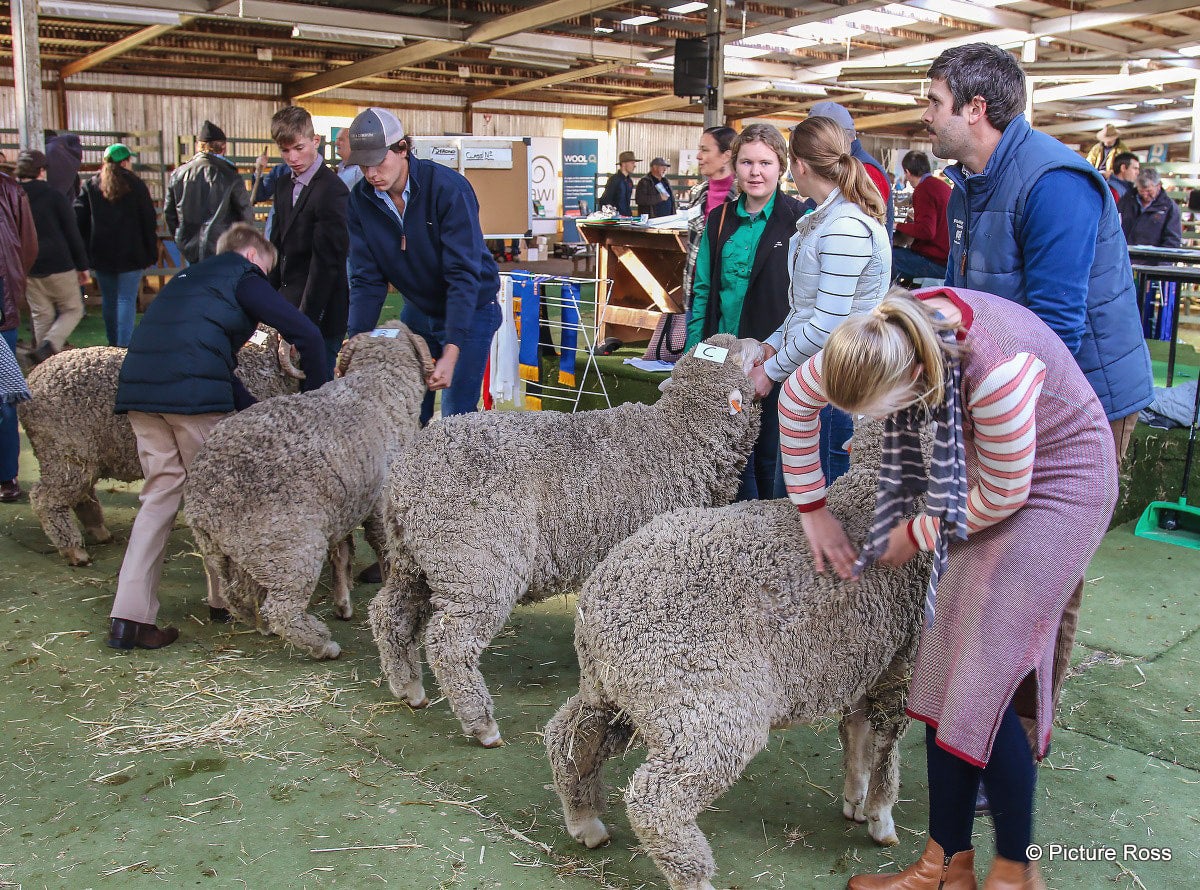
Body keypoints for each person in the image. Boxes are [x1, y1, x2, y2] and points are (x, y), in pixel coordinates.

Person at [780, 287, 1116, 890]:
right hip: (986, 474)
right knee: (939, 674)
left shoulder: (995, 371)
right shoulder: (865, 346)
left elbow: (1007, 494)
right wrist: (814, 509)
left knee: (981, 681)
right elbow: (796, 403)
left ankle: (1014, 871)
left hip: (1058, 485)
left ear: (913, 375)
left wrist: (919, 528)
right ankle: (946, 867)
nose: (876, 427)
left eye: (884, 412)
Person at [922, 41, 1152, 758]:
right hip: (1007, 389)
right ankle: (977, 708)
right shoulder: (969, 183)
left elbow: (1054, 324)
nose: (924, 116)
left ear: (975, 109)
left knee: (1042, 570)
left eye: (933, 102)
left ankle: (1017, 740)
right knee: (988, 551)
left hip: (1079, 405)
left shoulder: (1053, 182)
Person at [107, 223, 329, 651]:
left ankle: (128, 617)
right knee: (222, 503)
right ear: (251, 257)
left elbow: (212, 361)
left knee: (159, 499)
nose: (264, 283)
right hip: (192, 401)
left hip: (140, 391)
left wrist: (256, 410)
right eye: (265, 272)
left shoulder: (188, 279)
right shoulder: (243, 276)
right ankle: (225, 599)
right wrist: (316, 408)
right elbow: (307, 333)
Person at [751, 115, 890, 486]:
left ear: (797, 164)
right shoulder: (824, 219)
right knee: (791, 507)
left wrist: (770, 371)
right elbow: (806, 310)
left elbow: (830, 326)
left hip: (834, 388)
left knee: (814, 511)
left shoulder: (845, 227)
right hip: (810, 380)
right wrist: (771, 345)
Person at [344, 107, 501, 425]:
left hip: (470, 309)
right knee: (410, 411)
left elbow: (462, 273)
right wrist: (355, 342)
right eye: (363, 164)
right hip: (417, 310)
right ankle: (412, 476)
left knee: (456, 417)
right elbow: (366, 278)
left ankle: (461, 475)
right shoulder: (360, 200)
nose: (371, 173)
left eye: (378, 160)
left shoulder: (447, 189)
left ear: (402, 148)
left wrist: (451, 351)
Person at [684, 124, 804, 500]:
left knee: (769, 452)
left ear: (781, 167)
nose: (756, 172)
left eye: (766, 162)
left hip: (773, 355)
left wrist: (782, 356)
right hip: (724, 355)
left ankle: (767, 533)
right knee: (725, 451)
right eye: (747, 162)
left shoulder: (799, 218)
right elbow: (702, 289)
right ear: (734, 166)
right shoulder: (719, 219)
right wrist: (695, 350)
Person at [255, 106, 350, 376]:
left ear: (315, 141)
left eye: (299, 148)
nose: (293, 157)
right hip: (287, 307)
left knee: (316, 395)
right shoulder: (284, 185)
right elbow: (275, 248)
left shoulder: (333, 191)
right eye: (285, 151)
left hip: (320, 311)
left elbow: (327, 264)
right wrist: (266, 303)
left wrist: (302, 324)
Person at [74, 143, 158, 347]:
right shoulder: (136, 184)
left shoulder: (91, 185)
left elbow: (79, 218)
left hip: (101, 253)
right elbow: (148, 219)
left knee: (110, 300)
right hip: (131, 253)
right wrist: (150, 251)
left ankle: (112, 343)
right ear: (125, 161)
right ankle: (123, 346)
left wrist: (85, 251)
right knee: (126, 299)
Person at [15, 149, 89, 363]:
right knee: (73, 308)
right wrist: (82, 265)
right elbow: (71, 233)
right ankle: (50, 345)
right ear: (41, 170)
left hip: (27, 265)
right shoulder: (54, 196)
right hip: (58, 263)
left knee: (41, 314)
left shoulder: (13, 195)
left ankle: (42, 366)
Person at [163, 120, 254, 264]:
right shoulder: (230, 175)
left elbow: (170, 213)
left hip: (190, 247)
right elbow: (245, 211)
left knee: (196, 284)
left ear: (198, 146)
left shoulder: (179, 174)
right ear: (223, 147)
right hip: (223, 246)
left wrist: (181, 239)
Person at [0, 167, 37, 503]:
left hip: (2, 308)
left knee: (4, 392)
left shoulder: (10, 191)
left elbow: (25, 247)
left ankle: (5, 474)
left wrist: (12, 282)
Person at [808, 100, 894, 233]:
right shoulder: (843, 166)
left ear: (831, 134)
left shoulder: (866, 171)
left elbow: (860, 233)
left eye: (811, 137)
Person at [682, 126, 737, 311]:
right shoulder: (697, 193)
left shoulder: (744, 197)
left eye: (705, 150)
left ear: (726, 156)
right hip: (696, 292)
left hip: (727, 294)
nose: (698, 156)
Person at [891, 150, 951, 284]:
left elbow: (927, 231)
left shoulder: (923, 189)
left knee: (886, 257)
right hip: (948, 260)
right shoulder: (941, 185)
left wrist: (896, 225)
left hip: (935, 261)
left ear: (907, 172)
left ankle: (888, 301)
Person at [1117, 166, 1182, 251]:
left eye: (1149, 191)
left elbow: (1172, 241)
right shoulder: (1126, 201)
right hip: (1126, 256)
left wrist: (1163, 262)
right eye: (1141, 191)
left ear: (1158, 186)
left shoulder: (1170, 208)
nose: (1145, 195)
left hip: (1153, 259)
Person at [44, 132, 83, 201]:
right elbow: (76, 187)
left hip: (48, 202)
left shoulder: (47, 151)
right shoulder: (69, 157)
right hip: (67, 205)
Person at [598, 150, 638, 216]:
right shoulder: (614, 180)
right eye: (632, 163)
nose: (634, 165)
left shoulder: (629, 181)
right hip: (616, 219)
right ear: (623, 164)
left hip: (626, 217)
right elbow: (605, 200)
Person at [334, 127, 364, 191]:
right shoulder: (340, 168)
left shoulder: (361, 170)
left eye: (341, 139)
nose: (336, 143)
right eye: (336, 139)